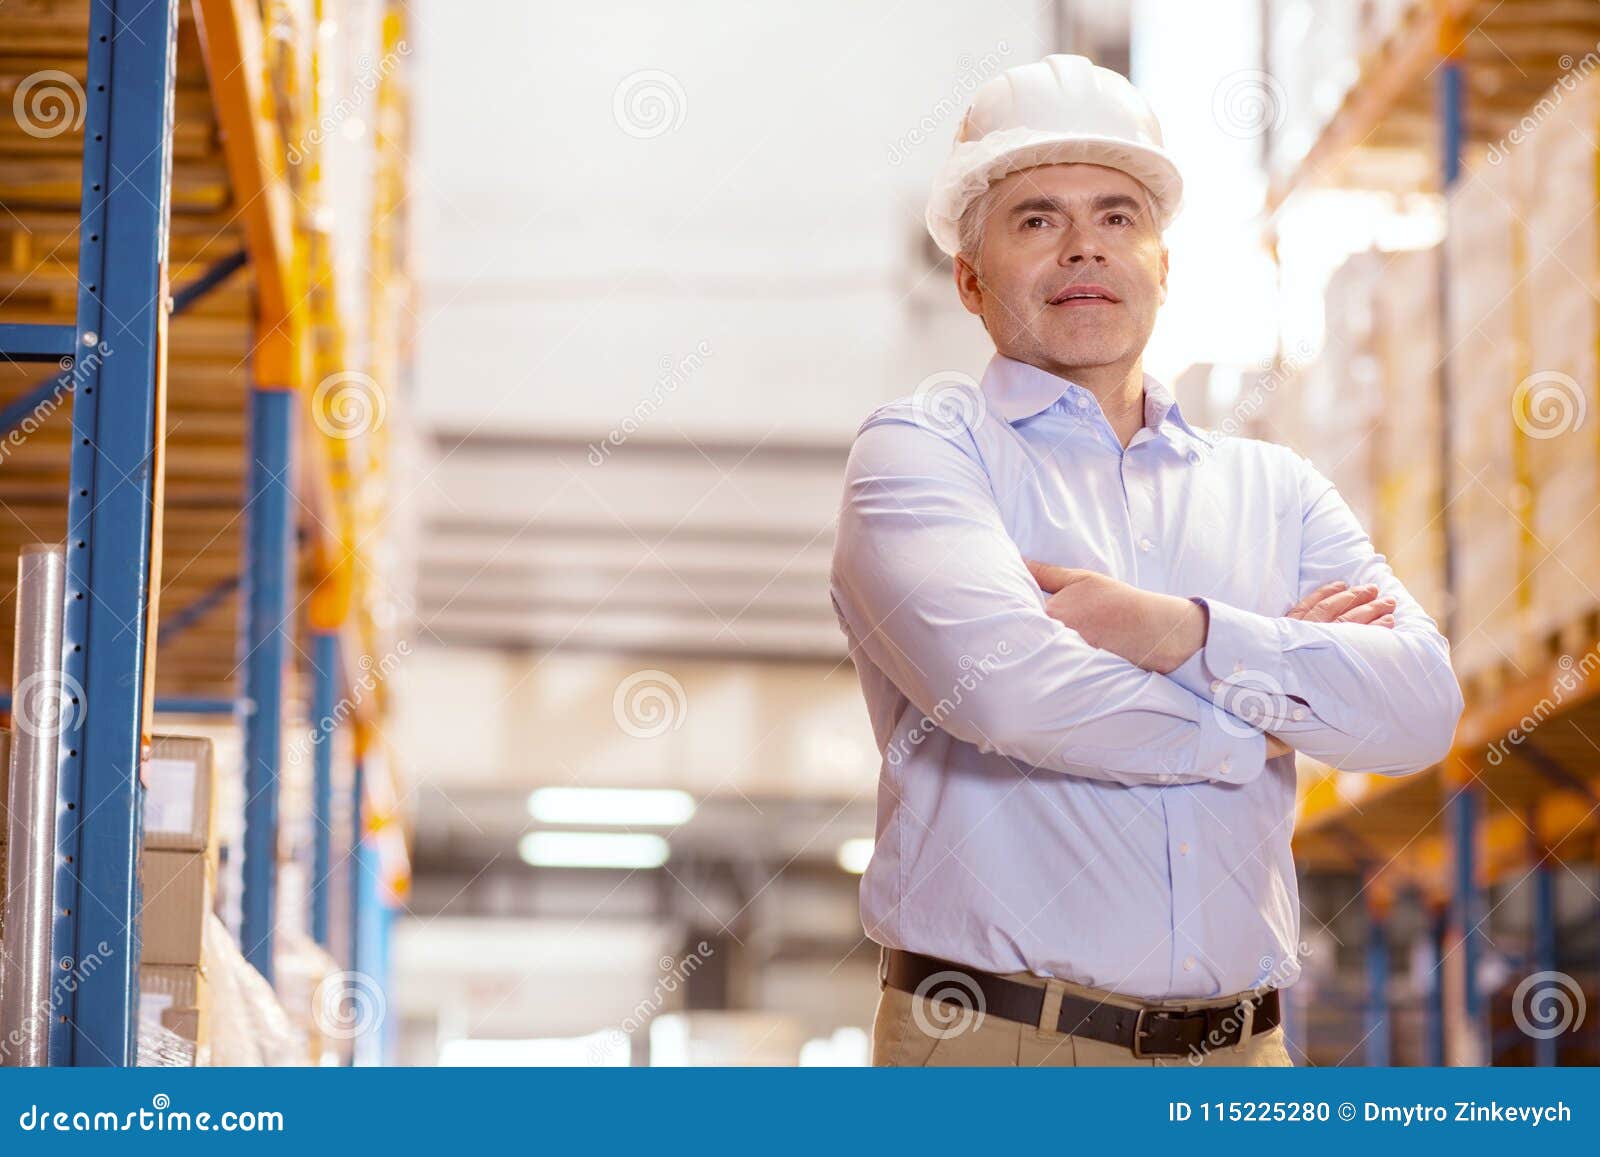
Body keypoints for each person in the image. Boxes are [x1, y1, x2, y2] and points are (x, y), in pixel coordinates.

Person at [829, 54, 1464, 1067]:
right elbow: (1017, 698)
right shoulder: (924, 454)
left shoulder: (1276, 488)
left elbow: (1418, 706)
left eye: (1118, 215)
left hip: (1240, 1058)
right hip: (999, 1052)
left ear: (1162, 265)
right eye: (1036, 218)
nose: (1084, 245)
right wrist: (1258, 717)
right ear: (969, 275)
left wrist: (1179, 630)